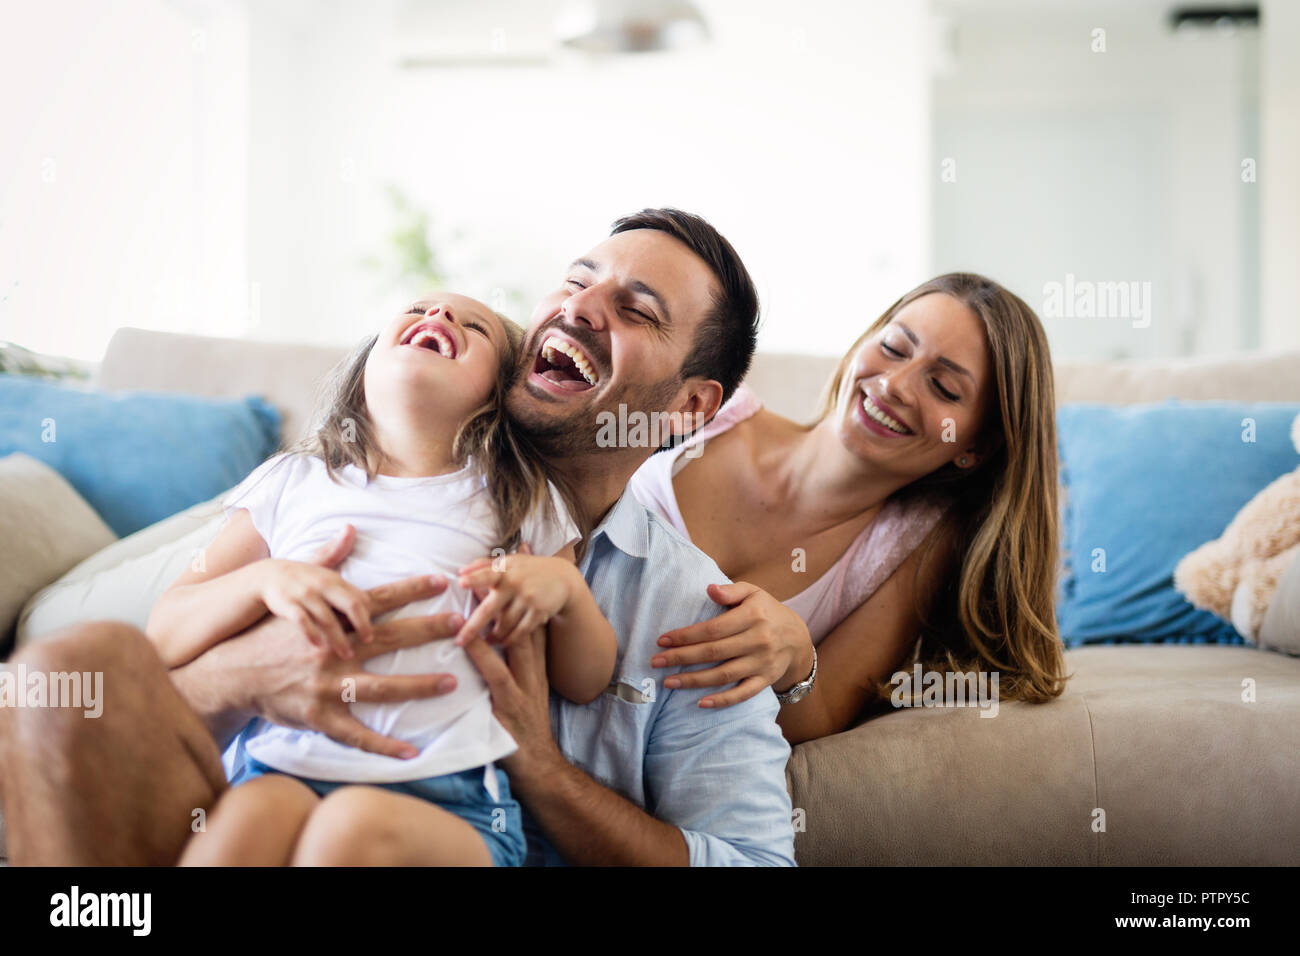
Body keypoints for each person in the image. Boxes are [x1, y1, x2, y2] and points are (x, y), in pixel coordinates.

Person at [0, 208, 796, 867]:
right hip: (262, 785)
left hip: (447, 824)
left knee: (348, 839)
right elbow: (160, 642)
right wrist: (246, 675)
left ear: (690, 407)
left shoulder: (700, 612)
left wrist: (543, 770)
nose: (582, 308)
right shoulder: (314, 483)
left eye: (637, 310)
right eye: (579, 282)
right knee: (63, 674)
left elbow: (754, 859)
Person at [150, 294, 616, 867]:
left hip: (452, 797)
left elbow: (586, 680)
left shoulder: (521, 495)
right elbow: (164, 632)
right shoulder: (291, 480)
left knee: (350, 830)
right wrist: (262, 581)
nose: (439, 318)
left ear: (497, 395)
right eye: (420, 310)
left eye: (475, 327)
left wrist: (566, 593)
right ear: (365, 365)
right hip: (282, 766)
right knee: (238, 831)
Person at [629, 273, 1069, 744]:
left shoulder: (907, 548)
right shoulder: (711, 407)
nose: (895, 384)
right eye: (896, 348)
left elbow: (816, 713)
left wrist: (799, 660)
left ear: (976, 447)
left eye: (942, 386)